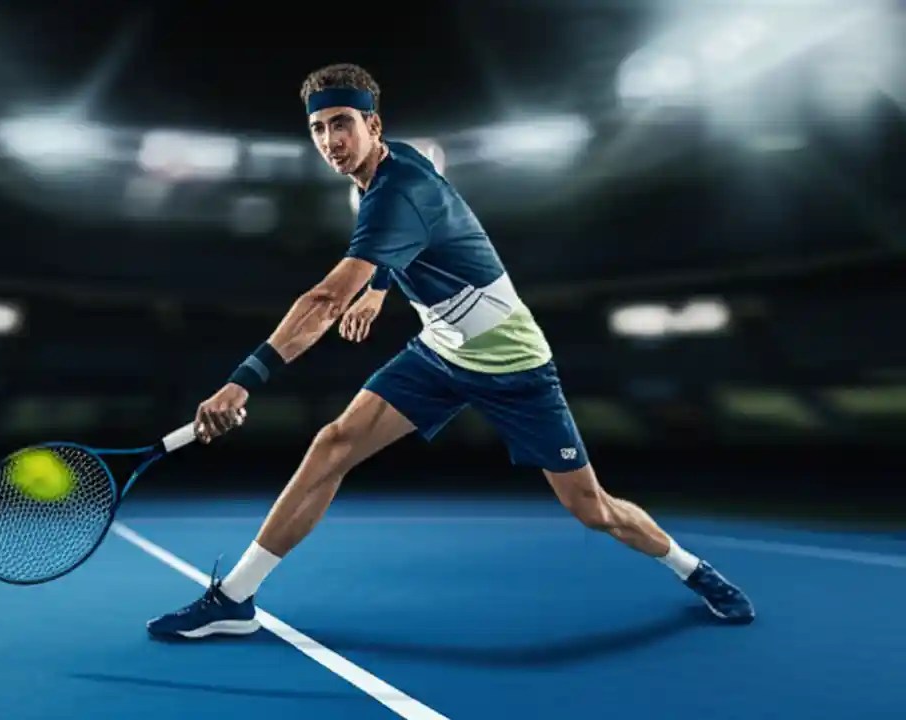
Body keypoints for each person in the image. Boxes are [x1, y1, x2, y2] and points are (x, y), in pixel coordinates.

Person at [145, 63, 754, 640]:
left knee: (593, 509)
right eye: (317, 128)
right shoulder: (389, 169)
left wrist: (242, 380)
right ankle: (234, 600)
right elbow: (407, 248)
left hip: (515, 368)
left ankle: (692, 569)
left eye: (341, 123)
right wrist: (381, 290)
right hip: (439, 353)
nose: (330, 140)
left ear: (372, 126)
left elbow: (326, 300)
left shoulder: (394, 194)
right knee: (332, 444)